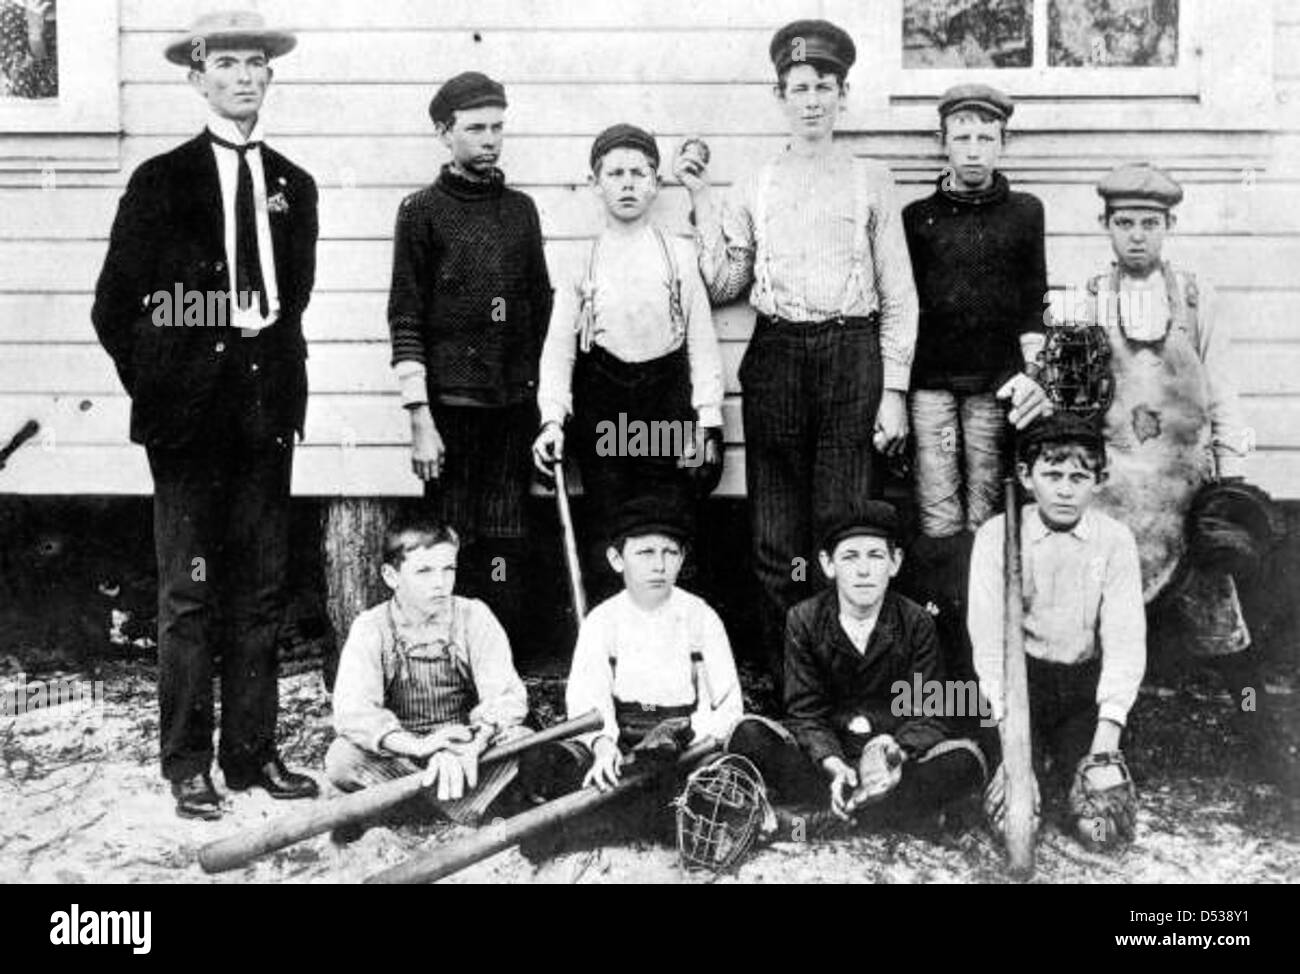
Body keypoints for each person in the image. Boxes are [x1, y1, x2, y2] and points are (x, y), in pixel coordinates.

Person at [91, 10, 319, 820]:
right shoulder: (161, 181)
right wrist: (163, 386)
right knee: (188, 592)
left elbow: (289, 304)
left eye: (255, 63)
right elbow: (115, 308)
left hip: (265, 414)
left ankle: (251, 756)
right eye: (226, 63)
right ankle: (187, 762)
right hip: (187, 424)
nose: (244, 77)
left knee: (259, 592)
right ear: (196, 77)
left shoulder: (295, 184)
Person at [675, 19, 918, 695]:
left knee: (842, 521)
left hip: (851, 354)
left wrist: (893, 389)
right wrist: (700, 200)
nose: (812, 100)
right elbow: (727, 285)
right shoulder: (758, 181)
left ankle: (849, 681)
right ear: (779, 94)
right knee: (775, 534)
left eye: (825, 87)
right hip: (778, 352)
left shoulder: (872, 179)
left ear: (843, 94)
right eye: (799, 87)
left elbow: (898, 291)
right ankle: (794, 686)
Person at [1081, 162, 1291, 791]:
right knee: (1114, 626)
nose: (1137, 235)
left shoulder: (1197, 298)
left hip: (1185, 494)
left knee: (1226, 633)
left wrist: (1231, 481)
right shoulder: (1087, 296)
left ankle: (1263, 740)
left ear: (1169, 225)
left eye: (1150, 223)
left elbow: (1221, 391)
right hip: (1116, 499)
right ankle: (1110, 744)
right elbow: (1076, 399)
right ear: (1106, 226)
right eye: (1124, 223)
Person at [387, 70, 553, 650]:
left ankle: (500, 672)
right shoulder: (421, 212)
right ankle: (444, 661)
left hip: (513, 411)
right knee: (450, 545)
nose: (490, 139)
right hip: (450, 413)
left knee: (508, 542)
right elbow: (404, 317)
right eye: (475, 128)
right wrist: (419, 417)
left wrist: (547, 409)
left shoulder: (521, 212)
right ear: (444, 133)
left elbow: (540, 311)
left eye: (498, 127)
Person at [533, 123, 725, 601]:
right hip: (606, 410)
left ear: (656, 183)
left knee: (672, 520)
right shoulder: (583, 258)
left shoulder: (678, 254)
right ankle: (613, 643)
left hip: (666, 405)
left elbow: (701, 338)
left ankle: (678, 641)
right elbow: (559, 346)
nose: (627, 183)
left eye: (639, 173)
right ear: (596, 182)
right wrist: (552, 419)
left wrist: (709, 419)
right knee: (610, 524)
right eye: (614, 173)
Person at [727, 502, 987, 830]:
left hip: (890, 762)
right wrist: (835, 765)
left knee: (965, 760)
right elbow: (806, 714)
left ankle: (827, 814)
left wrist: (892, 751)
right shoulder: (803, 619)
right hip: (828, 761)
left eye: (876, 556)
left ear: (895, 563)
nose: (863, 570)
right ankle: (887, 813)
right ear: (827, 564)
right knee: (749, 734)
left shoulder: (916, 622)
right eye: (850, 557)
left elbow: (929, 715)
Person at [517, 494, 742, 850]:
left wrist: (694, 744)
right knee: (551, 764)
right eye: (645, 553)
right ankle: (644, 814)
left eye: (669, 552)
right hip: (622, 739)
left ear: (682, 559)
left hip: (683, 743)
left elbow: (727, 706)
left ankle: (608, 821)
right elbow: (588, 701)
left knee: (709, 782)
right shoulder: (603, 620)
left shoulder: (700, 617)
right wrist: (604, 747)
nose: (658, 565)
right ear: (616, 559)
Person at [968, 414, 1147, 849]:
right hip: (1017, 689)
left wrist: (1104, 743)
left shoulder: (1115, 540)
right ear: (1028, 477)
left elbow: (1125, 643)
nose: (1065, 489)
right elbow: (989, 647)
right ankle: (1026, 775)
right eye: (1052, 475)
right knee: (1018, 820)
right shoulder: (997, 535)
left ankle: (1061, 769)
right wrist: (1013, 746)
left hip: (1080, 690)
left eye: (1078, 476)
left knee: (1098, 830)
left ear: (1098, 480)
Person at [903, 84, 1050, 569]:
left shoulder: (1024, 213)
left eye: (985, 138)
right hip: (932, 387)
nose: (972, 149)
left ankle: (984, 622)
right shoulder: (918, 217)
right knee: (938, 502)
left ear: (1002, 142)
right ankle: (942, 616)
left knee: (987, 501)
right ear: (942, 140)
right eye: (961, 137)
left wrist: (1032, 371)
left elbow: (1036, 301)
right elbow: (903, 307)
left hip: (995, 385)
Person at [325, 520, 529, 834]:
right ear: (391, 576)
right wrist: (420, 747)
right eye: (424, 572)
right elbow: (354, 712)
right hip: (404, 754)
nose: (440, 583)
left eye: (448, 569)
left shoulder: (474, 615)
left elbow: (505, 696)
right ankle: (466, 806)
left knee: (523, 741)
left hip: (468, 751)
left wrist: (474, 742)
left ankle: (405, 807)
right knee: (342, 759)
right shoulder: (371, 627)